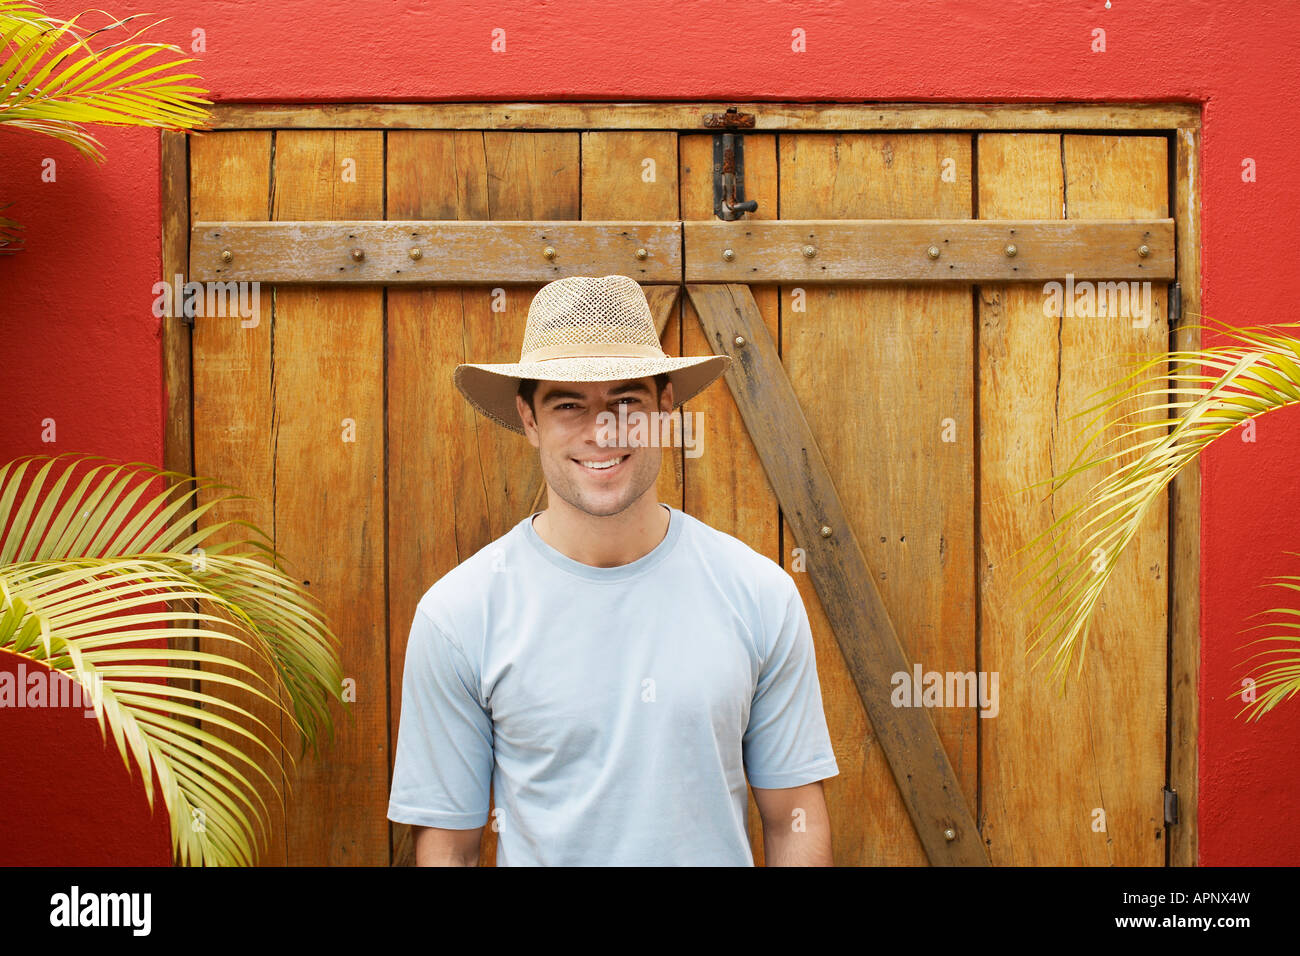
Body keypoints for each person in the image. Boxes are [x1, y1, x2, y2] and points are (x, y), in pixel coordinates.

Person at [387, 274, 839, 866]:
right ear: (528, 420)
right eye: (568, 404)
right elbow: (448, 850)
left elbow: (793, 822)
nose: (602, 430)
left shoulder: (759, 595)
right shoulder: (458, 615)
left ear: (665, 409)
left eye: (626, 401)